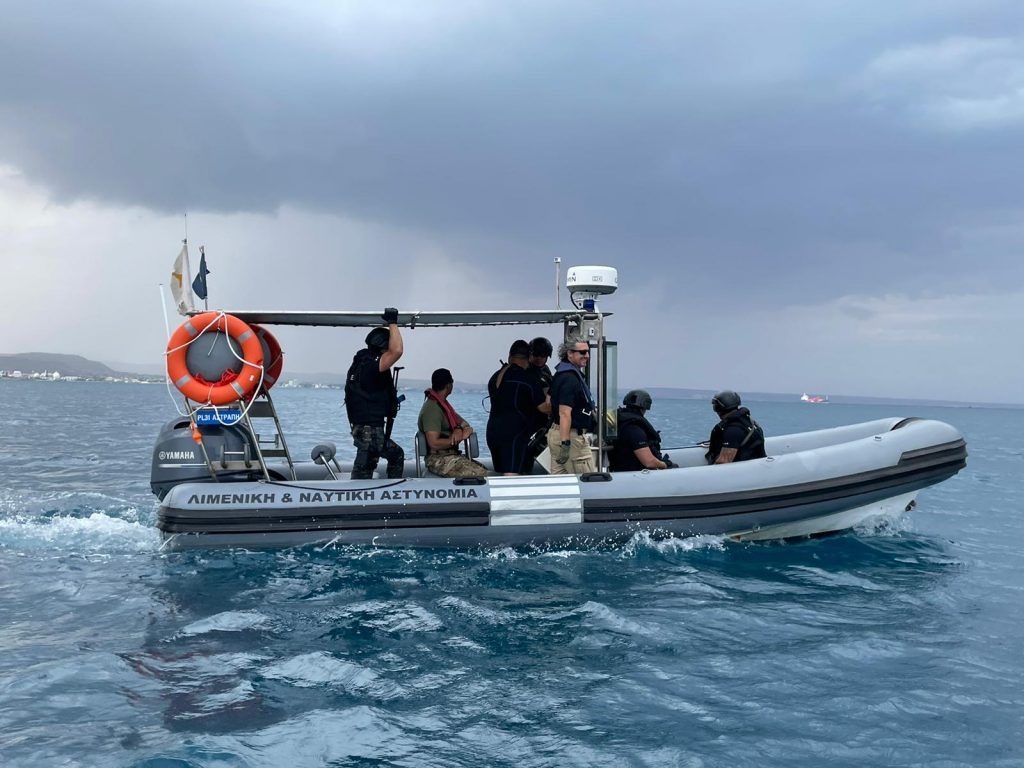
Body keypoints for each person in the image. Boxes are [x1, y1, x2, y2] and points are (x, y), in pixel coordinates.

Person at [344, 308, 405, 479]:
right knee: (397, 455)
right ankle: (393, 491)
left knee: (366, 464)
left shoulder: (361, 363)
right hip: (369, 431)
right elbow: (397, 351)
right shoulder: (373, 366)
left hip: (362, 428)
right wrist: (393, 322)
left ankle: (361, 493)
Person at [486, 340, 548, 475]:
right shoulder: (527, 378)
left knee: (500, 472)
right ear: (529, 357)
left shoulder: (496, 377)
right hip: (514, 434)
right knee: (512, 475)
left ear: (510, 355)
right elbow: (543, 408)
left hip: (493, 432)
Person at [418, 368, 488, 478]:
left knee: (485, 470)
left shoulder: (443, 406)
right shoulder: (432, 409)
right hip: (438, 459)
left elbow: (463, 422)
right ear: (449, 385)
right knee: (483, 475)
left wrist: (459, 429)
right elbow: (434, 443)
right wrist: (458, 438)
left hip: (451, 455)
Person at [547, 338, 597, 474]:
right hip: (570, 437)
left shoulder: (559, 374)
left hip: (555, 433)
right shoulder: (571, 379)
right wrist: (566, 443)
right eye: (582, 352)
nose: (586, 356)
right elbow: (564, 413)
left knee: (559, 483)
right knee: (587, 482)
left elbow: (548, 401)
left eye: (587, 352)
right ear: (569, 353)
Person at [608, 389, 675, 471]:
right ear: (645, 407)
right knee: (674, 467)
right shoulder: (634, 430)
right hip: (633, 473)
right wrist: (665, 464)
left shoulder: (620, 423)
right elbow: (649, 462)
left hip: (619, 469)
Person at [519, 336, 554, 473]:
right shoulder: (527, 372)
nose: (539, 358)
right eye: (536, 355)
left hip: (543, 424)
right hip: (529, 422)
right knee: (526, 458)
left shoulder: (545, 371)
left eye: (543, 355)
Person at [705, 390, 766, 464]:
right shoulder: (749, 421)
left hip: (744, 470)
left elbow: (724, 462)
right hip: (756, 463)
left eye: (715, 406)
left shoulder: (732, 430)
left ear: (719, 408)